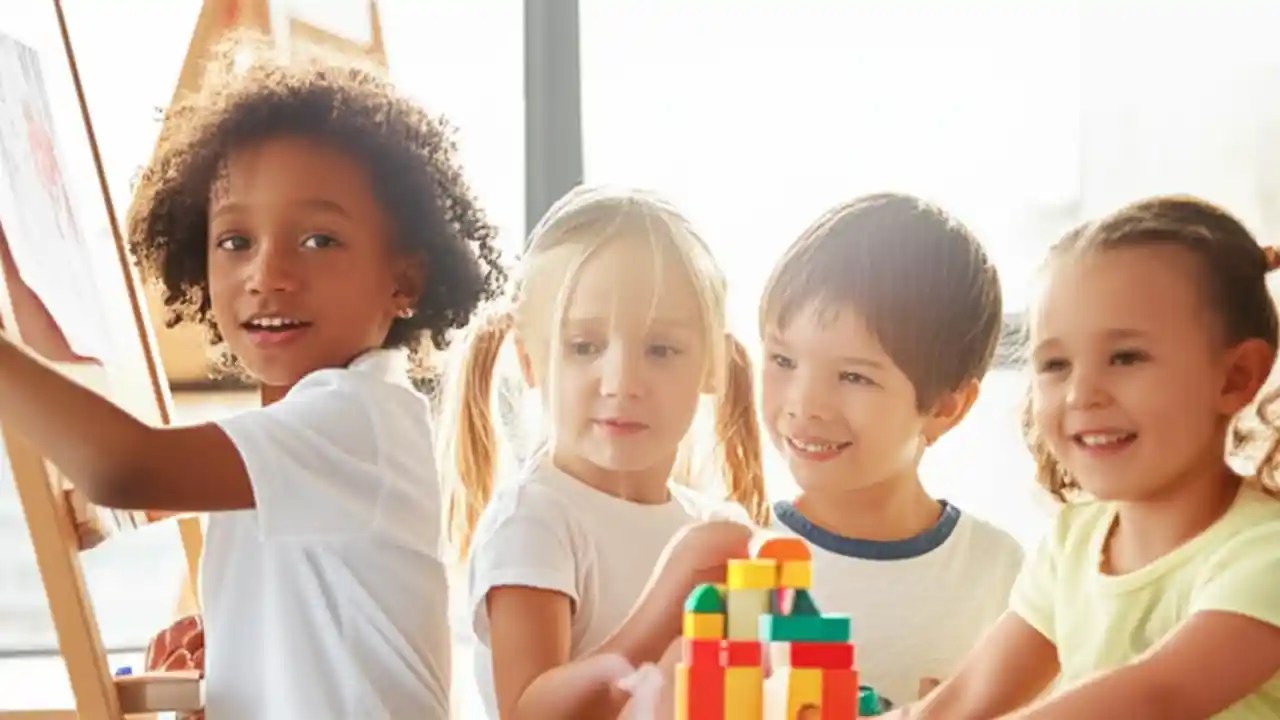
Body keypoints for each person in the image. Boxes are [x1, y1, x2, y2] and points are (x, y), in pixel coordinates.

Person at [0, 33, 505, 719]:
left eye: (318, 240)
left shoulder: (356, 418)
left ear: (405, 279)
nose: (267, 276)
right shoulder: (287, 439)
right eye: (235, 242)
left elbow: (124, 468)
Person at [890, 196, 1280, 718]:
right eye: (1055, 364)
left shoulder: (1265, 553)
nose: (1081, 395)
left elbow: (1157, 697)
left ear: (1236, 377)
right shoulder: (1072, 544)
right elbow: (961, 701)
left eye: (1125, 357)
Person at [438, 186, 769, 718]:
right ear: (530, 362)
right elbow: (528, 712)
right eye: (584, 347)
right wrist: (673, 593)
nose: (621, 382)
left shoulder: (710, 524)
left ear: (709, 366)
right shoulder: (535, 520)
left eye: (661, 350)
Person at [760, 193, 1023, 706]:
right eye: (783, 360)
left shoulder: (1002, 575)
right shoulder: (737, 555)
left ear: (947, 407)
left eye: (854, 376)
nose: (805, 404)